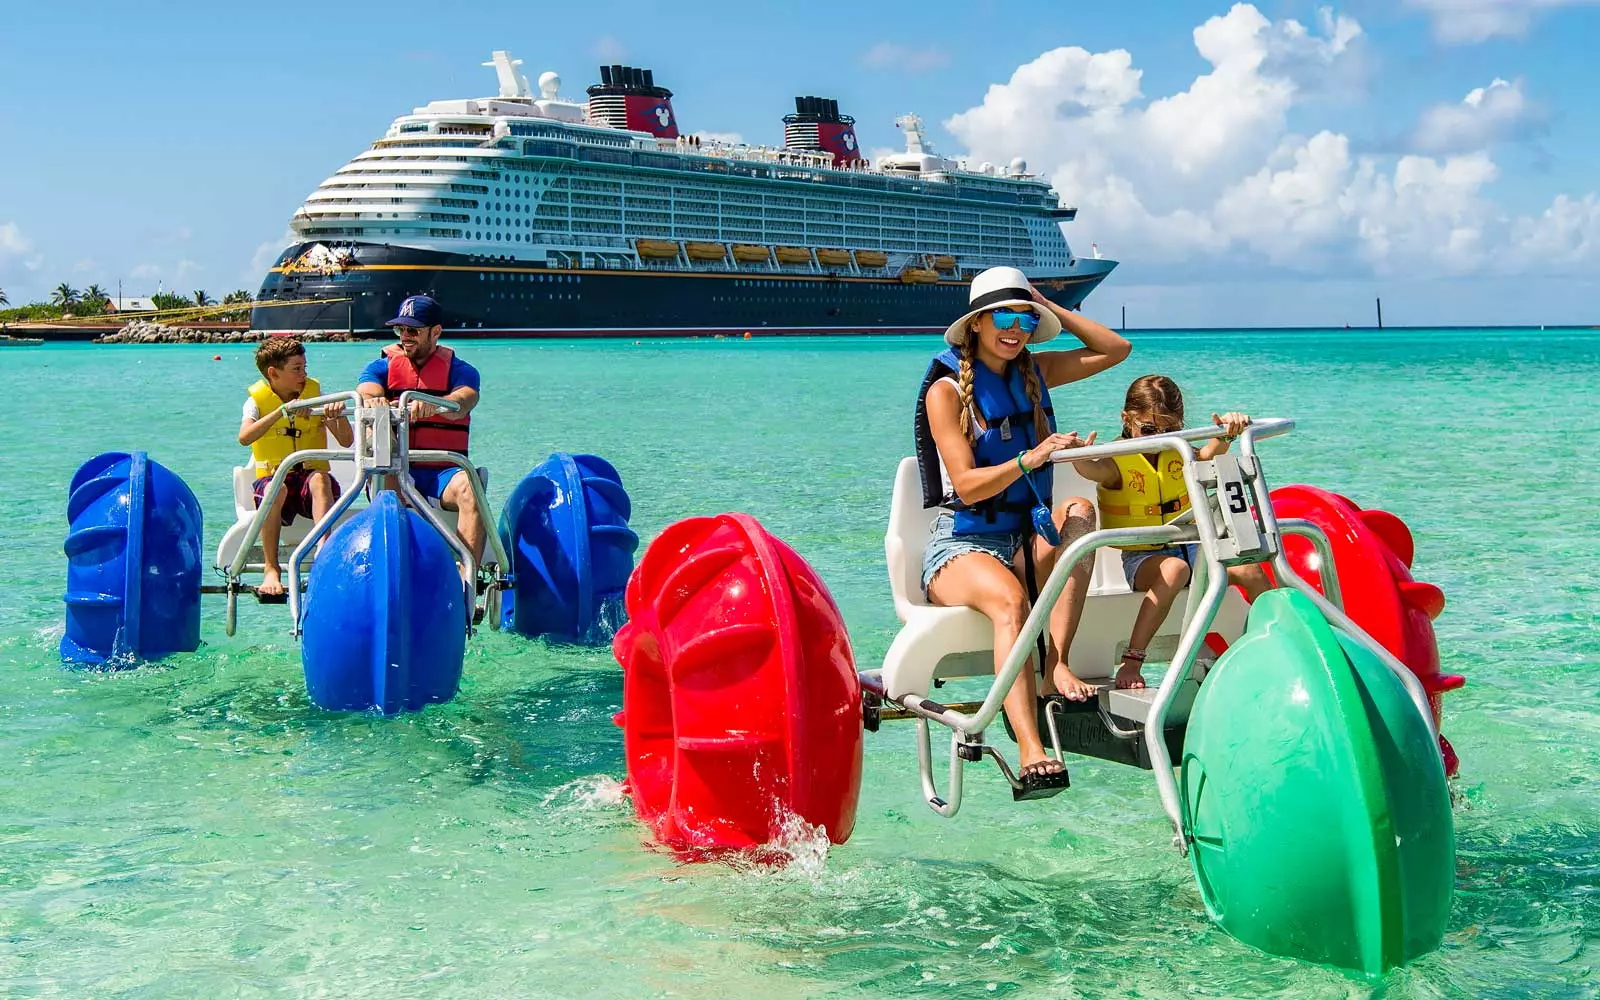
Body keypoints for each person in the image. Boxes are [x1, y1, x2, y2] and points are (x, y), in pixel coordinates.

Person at [914, 266, 1132, 791]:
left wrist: (1047, 305)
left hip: (1023, 537)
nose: (1016, 330)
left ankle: (1057, 664)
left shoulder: (1034, 372)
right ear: (977, 324)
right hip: (961, 545)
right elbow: (966, 486)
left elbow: (1116, 349)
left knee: (1079, 511)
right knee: (1011, 603)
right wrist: (1031, 459)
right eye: (1004, 317)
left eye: (1025, 320)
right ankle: (1031, 746)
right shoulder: (945, 390)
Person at [1069, 375, 1271, 689]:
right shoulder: (1117, 460)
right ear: (1127, 419)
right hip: (1144, 559)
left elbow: (1208, 455)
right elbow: (1092, 469)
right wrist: (1078, 454)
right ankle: (1132, 660)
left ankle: (1275, 640)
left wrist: (1230, 430)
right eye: (1149, 430)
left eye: (1170, 430)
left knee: (1250, 568)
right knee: (1174, 570)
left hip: (1191, 549)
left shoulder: (1179, 452)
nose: (1161, 438)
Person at [356, 295, 485, 572]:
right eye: (400, 329)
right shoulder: (381, 367)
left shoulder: (462, 372)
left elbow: (464, 401)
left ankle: (467, 583)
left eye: (413, 330)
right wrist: (376, 400)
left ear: (435, 332)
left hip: (442, 476)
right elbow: (366, 390)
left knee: (471, 488)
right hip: (397, 472)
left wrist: (438, 405)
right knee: (380, 449)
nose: (405, 336)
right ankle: (396, 572)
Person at [238, 338, 353, 598]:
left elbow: (347, 440)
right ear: (273, 373)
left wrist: (333, 414)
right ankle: (271, 568)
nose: (304, 375)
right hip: (274, 480)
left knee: (320, 480)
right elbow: (245, 437)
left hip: (309, 481)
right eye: (297, 369)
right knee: (274, 489)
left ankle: (324, 555)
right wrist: (283, 412)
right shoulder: (255, 403)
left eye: (305, 368)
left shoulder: (317, 397)